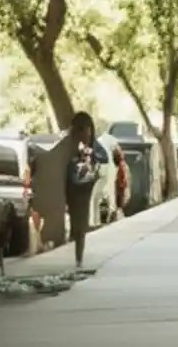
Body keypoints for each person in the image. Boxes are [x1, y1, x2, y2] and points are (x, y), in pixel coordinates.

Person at [66, 111, 109, 269]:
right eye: (80, 129)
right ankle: (76, 245)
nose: (84, 133)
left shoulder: (94, 147)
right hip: (72, 186)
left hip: (85, 187)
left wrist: (93, 162)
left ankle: (79, 258)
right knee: (75, 220)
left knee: (81, 223)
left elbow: (104, 157)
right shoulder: (70, 146)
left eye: (86, 129)